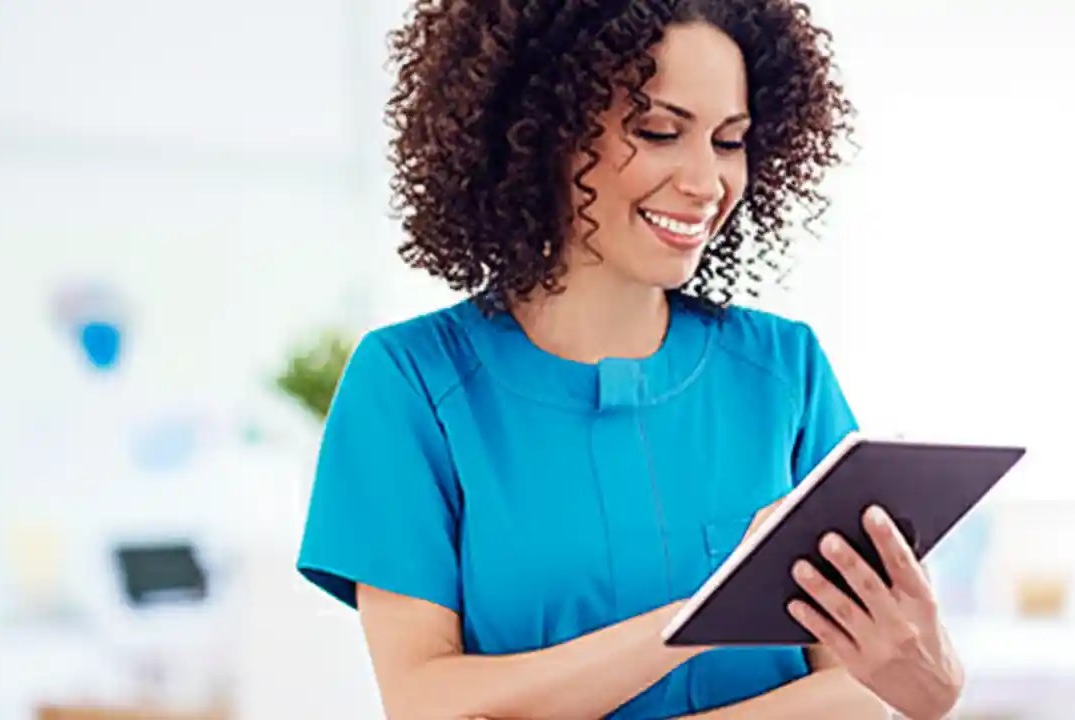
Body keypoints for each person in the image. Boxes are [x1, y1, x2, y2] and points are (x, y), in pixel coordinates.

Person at [296, 1, 965, 718]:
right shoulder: (410, 384)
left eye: (730, 141)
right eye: (658, 131)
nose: (707, 182)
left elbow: (861, 693)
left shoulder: (784, 371)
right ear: (542, 128)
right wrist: (707, 614)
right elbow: (428, 701)